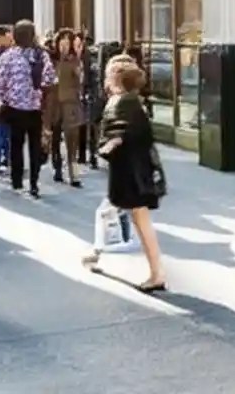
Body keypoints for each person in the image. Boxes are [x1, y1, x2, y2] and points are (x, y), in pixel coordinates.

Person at [84, 55, 165, 292]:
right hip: (131, 172)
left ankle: (155, 272)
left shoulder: (123, 102)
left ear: (116, 78)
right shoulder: (129, 101)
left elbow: (126, 133)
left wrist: (112, 144)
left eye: (108, 73)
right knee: (117, 214)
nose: (105, 78)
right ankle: (97, 254)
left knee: (128, 217)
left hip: (130, 174)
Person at [0, 20, 56, 198]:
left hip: (15, 108)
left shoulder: (9, 56)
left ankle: (17, 181)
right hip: (35, 109)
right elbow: (50, 80)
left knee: (16, 145)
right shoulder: (41, 55)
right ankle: (34, 183)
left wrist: (4, 99)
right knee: (35, 147)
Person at [45, 29, 88, 187]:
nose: (64, 43)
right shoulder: (50, 59)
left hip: (70, 104)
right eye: (62, 40)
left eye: (67, 40)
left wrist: (76, 58)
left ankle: (73, 173)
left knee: (72, 139)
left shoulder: (75, 60)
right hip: (54, 104)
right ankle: (57, 166)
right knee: (55, 138)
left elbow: (80, 81)